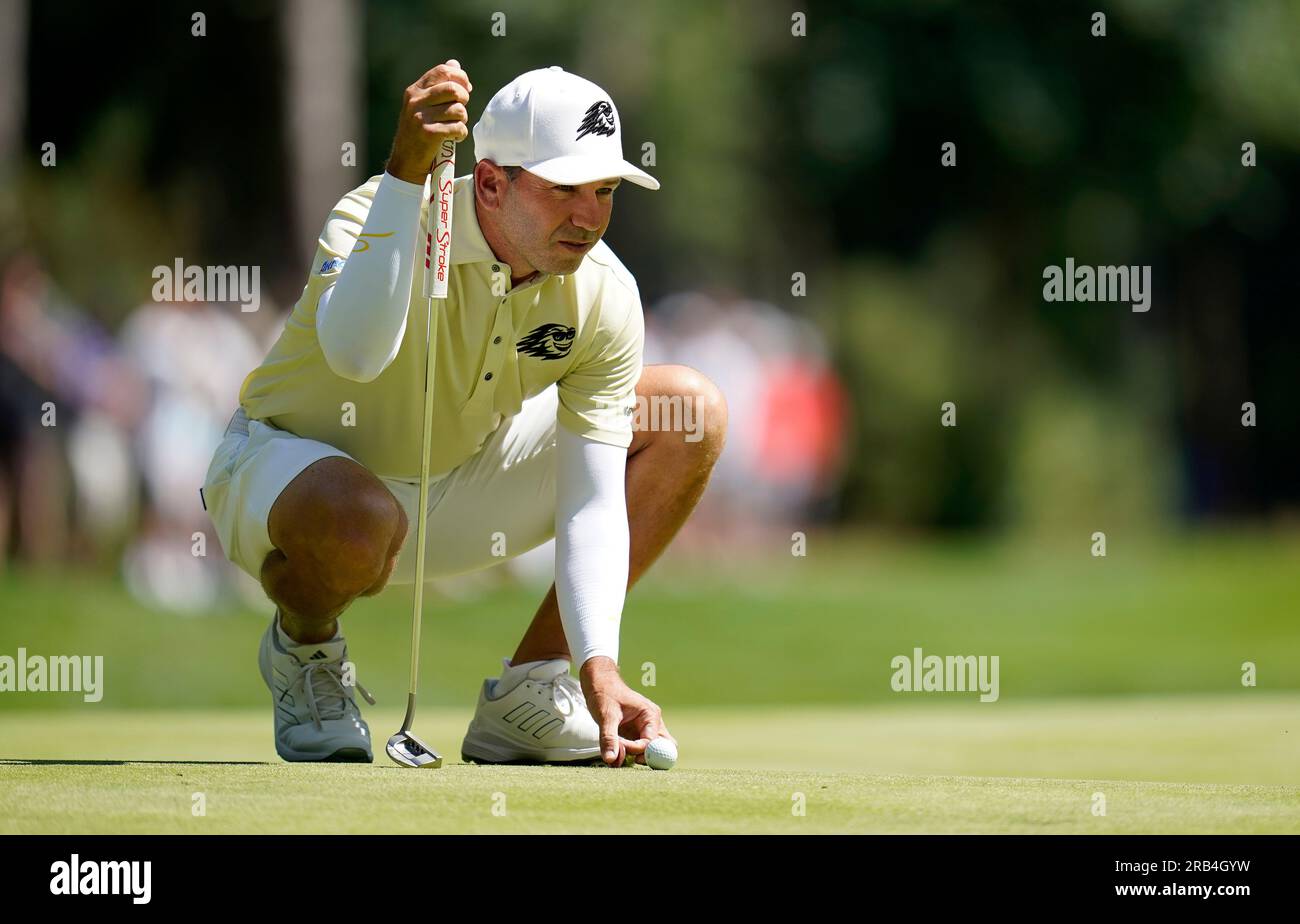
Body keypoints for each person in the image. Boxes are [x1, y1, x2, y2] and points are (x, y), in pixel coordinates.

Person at [200, 62, 727, 766]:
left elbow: (593, 502)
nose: (589, 216)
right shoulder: (376, 214)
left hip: (458, 487)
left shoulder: (605, 292)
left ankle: (532, 691)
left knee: (689, 410)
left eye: (604, 190)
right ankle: (306, 649)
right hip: (284, 477)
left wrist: (599, 661)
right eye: (564, 188)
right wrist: (400, 175)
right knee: (360, 516)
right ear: (489, 182)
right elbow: (357, 357)